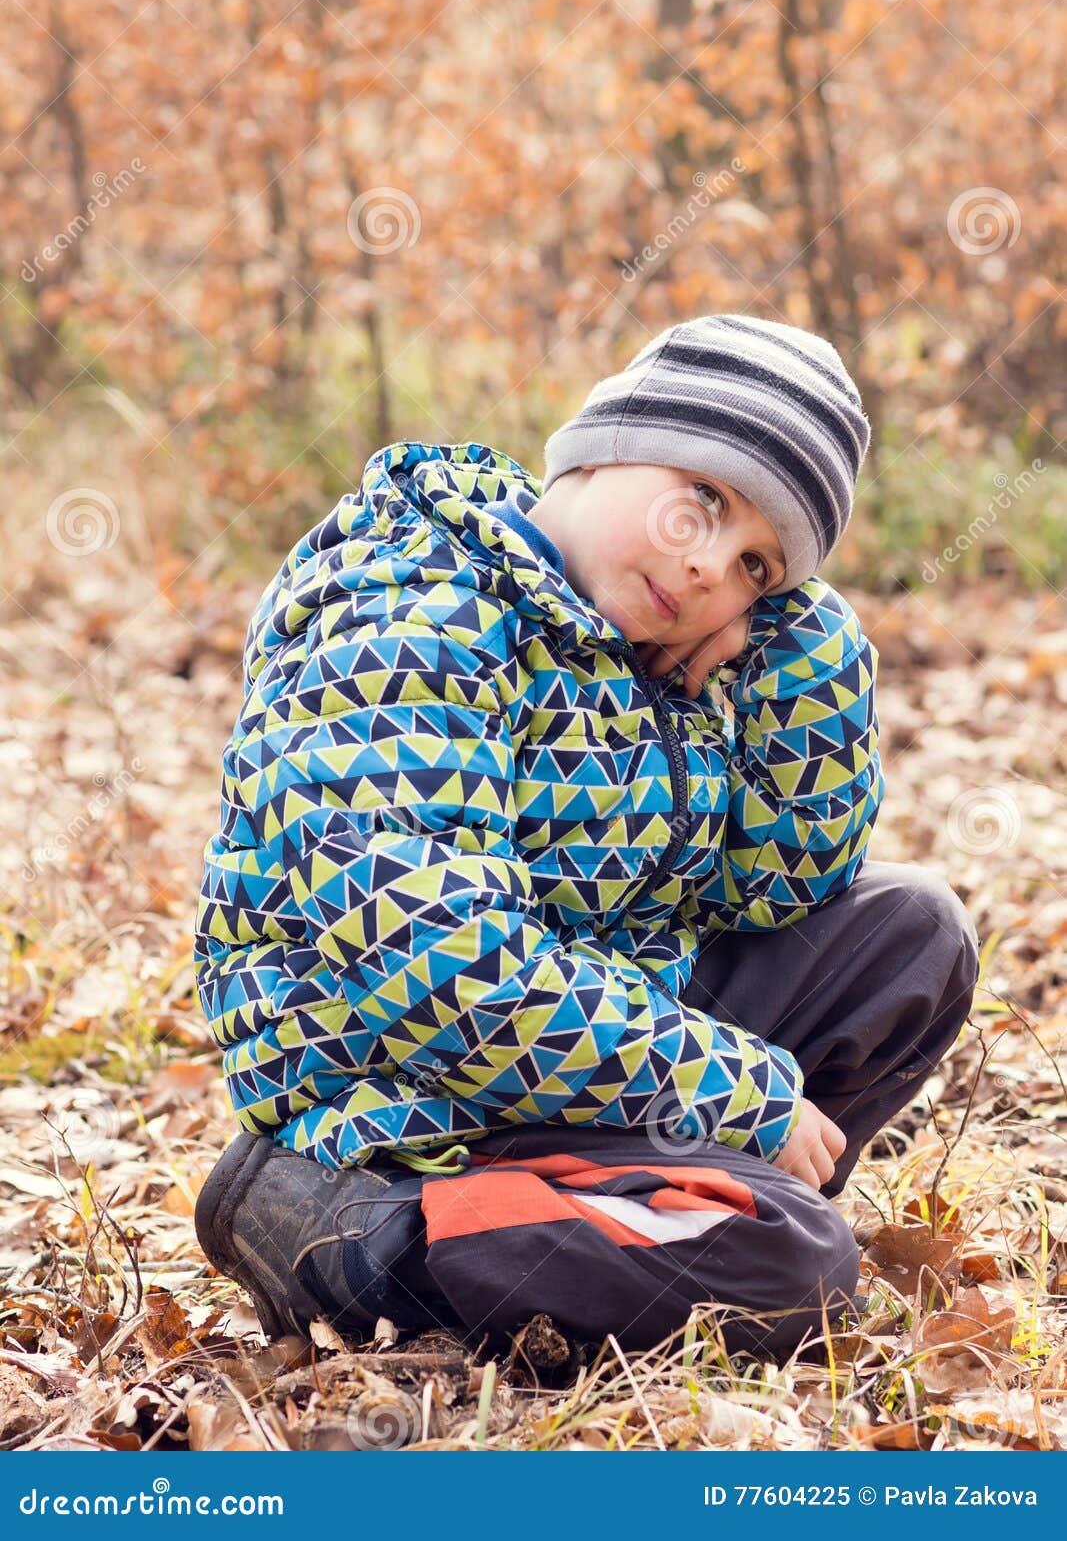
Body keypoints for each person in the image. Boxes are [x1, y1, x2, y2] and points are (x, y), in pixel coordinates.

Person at [192, 314, 979, 1359]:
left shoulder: (645, 644)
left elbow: (780, 882)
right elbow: (439, 965)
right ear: (606, 438)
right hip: (408, 1097)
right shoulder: (408, 608)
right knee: (790, 1266)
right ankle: (363, 1234)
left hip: (580, 1055)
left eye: (756, 564)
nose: (711, 569)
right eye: (702, 499)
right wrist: (731, 1091)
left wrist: (802, 640)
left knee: (911, 932)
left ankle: (644, 1212)